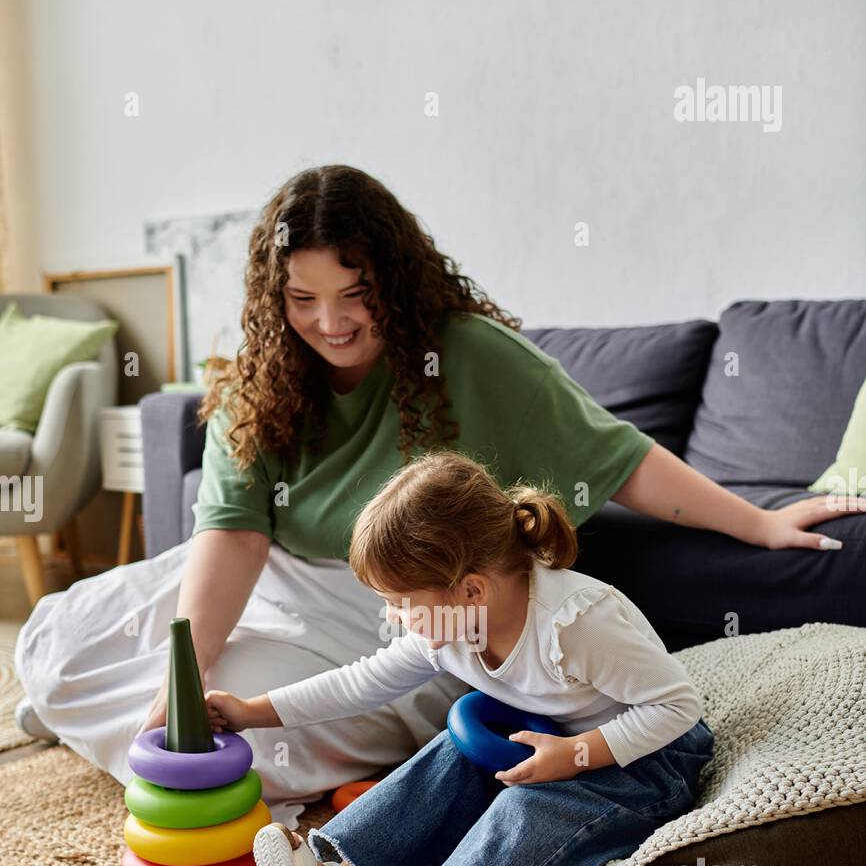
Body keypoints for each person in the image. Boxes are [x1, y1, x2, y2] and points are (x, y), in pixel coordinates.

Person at [14, 164, 863, 827]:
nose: (332, 323)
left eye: (355, 296)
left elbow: (620, 456)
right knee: (56, 636)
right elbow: (233, 540)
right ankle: (134, 726)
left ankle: (136, 739)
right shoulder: (260, 382)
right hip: (270, 578)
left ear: (395, 278)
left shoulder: (471, 356)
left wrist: (757, 519)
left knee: (256, 738)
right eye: (303, 301)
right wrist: (187, 669)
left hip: (394, 618)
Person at [207, 450, 716, 866]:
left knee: (529, 807)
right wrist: (250, 710)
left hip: (647, 761)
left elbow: (677, 706)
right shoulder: (447, 629)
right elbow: (360, 684)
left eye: (402, 604)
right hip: (545, 737)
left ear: (471, 592)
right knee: (451, 751)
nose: (395, 618)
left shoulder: (577, 624)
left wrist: (575, 755)